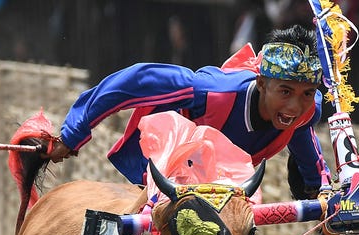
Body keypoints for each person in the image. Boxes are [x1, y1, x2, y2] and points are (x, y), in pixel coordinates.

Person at [44, 24, 329, 200]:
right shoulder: (211, 92)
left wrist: (319, 187)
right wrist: (72, 133)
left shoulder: (307, 110)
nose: (294, 106)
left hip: (225, 189)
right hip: (171, 169)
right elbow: (134, 81)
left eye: (306, 93)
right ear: (262, 83)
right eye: (285, 92)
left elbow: (302, 138)